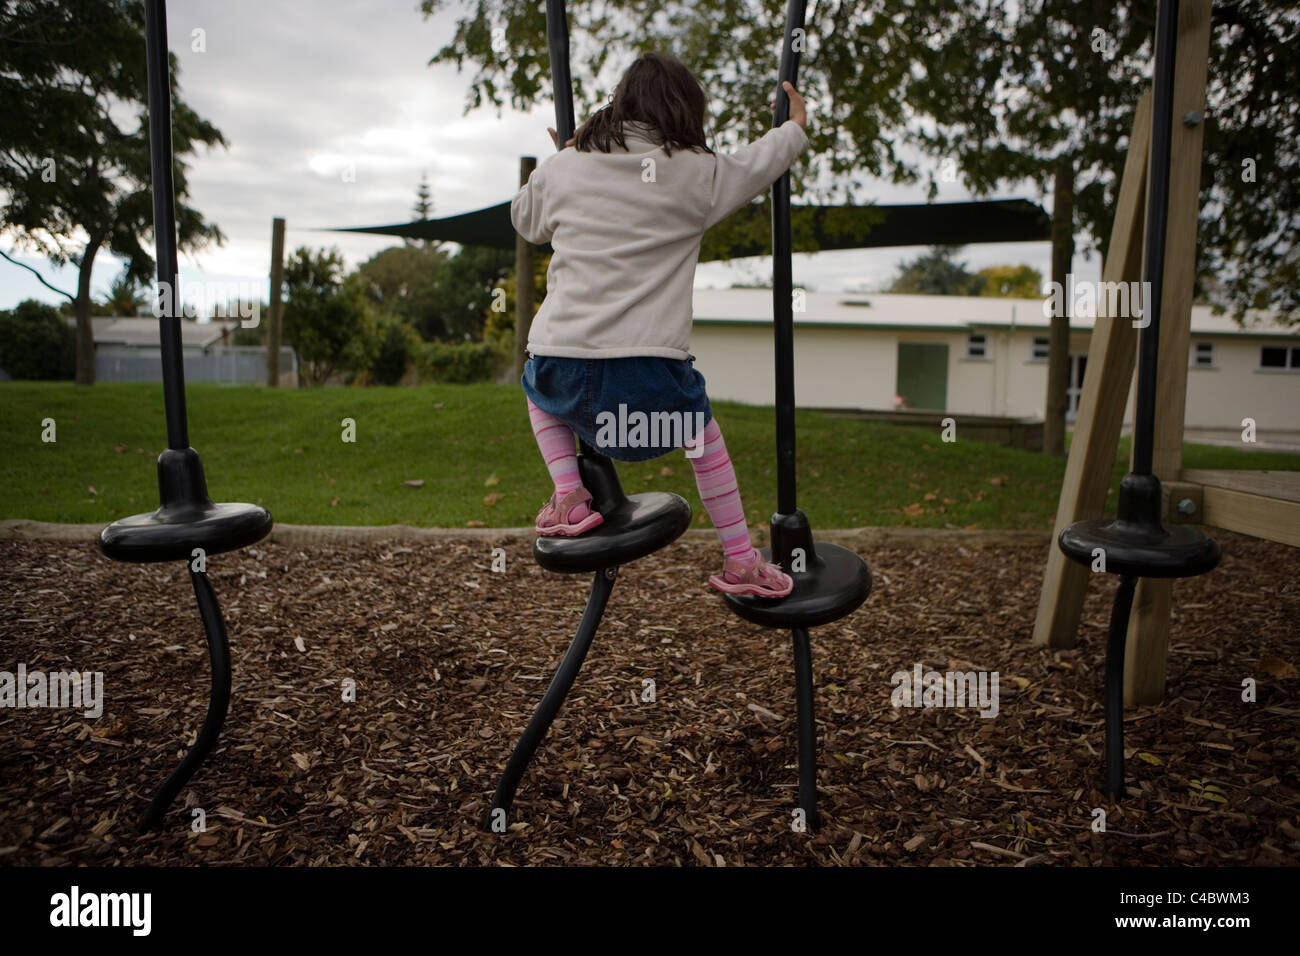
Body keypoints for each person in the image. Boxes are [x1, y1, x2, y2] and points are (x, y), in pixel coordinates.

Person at [511, 51, 808, 598]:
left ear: (620, 103)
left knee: (535, 386)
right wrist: (793, 128)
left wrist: (562, 158)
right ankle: (740, 559)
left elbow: (526, 221)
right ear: (685, 114)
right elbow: (758, 164)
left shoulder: (570, 164)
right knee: (704, 439)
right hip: (649, 390)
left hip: (562, 370)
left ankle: (568, 493)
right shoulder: (696, 173)